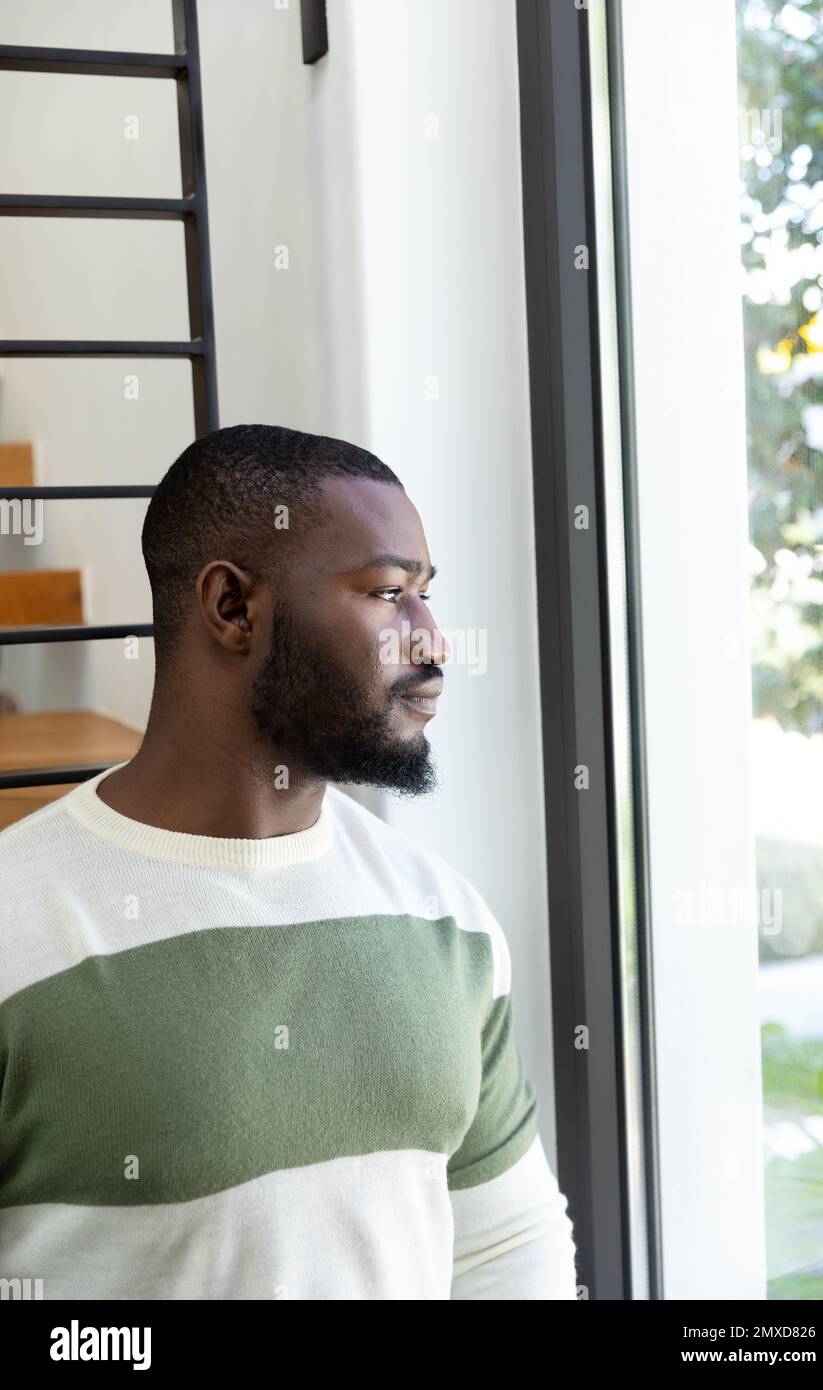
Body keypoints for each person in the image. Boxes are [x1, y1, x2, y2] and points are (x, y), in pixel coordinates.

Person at [0, 424, 578, 1300]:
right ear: (234, 608)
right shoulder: (20, 923)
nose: (432, 642)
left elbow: (507, 1250)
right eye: (389, 593)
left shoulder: (447, 921)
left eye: (425, 596)